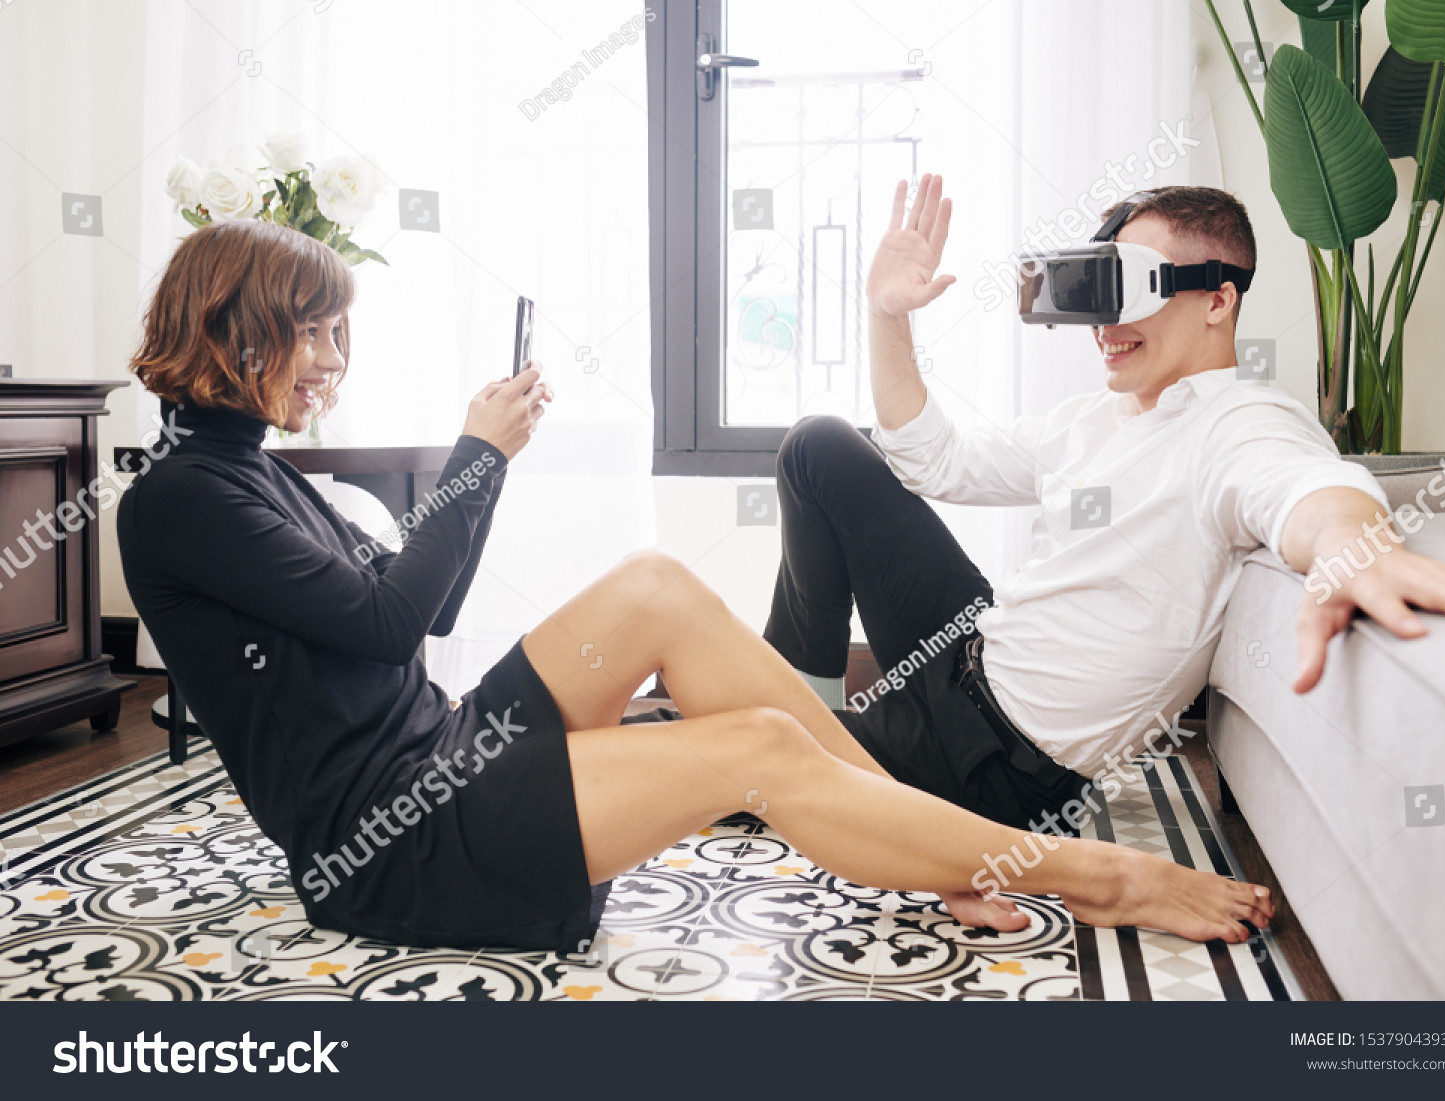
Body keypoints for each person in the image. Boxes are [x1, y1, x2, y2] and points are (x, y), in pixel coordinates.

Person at [118, 218, 1274, 960]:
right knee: (759, 748)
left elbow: (427, 614)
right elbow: (387, 622)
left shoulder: (251, 475)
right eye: (313, 333)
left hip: (442, 748)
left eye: (338, 333)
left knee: (656, 584)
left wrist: (487, 465)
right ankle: (1098, 877)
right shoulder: (178, 499)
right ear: (234, 331)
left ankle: (949, 846)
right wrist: (477, 459)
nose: (332, 360)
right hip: (394, 838)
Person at [765, 174, 1445, 852]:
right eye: (1097, 291)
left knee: (747, 745)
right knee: (818, 448)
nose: (1104, 324)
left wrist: (1358, 547)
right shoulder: (1095, 418)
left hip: (997, 763)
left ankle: (802, 730)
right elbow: (935, 460)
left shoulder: (1238, 422)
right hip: (972, 652)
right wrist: (886, 314)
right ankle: (810, 704)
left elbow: (1307, 486)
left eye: (1130, 289)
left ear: (1218, 301)